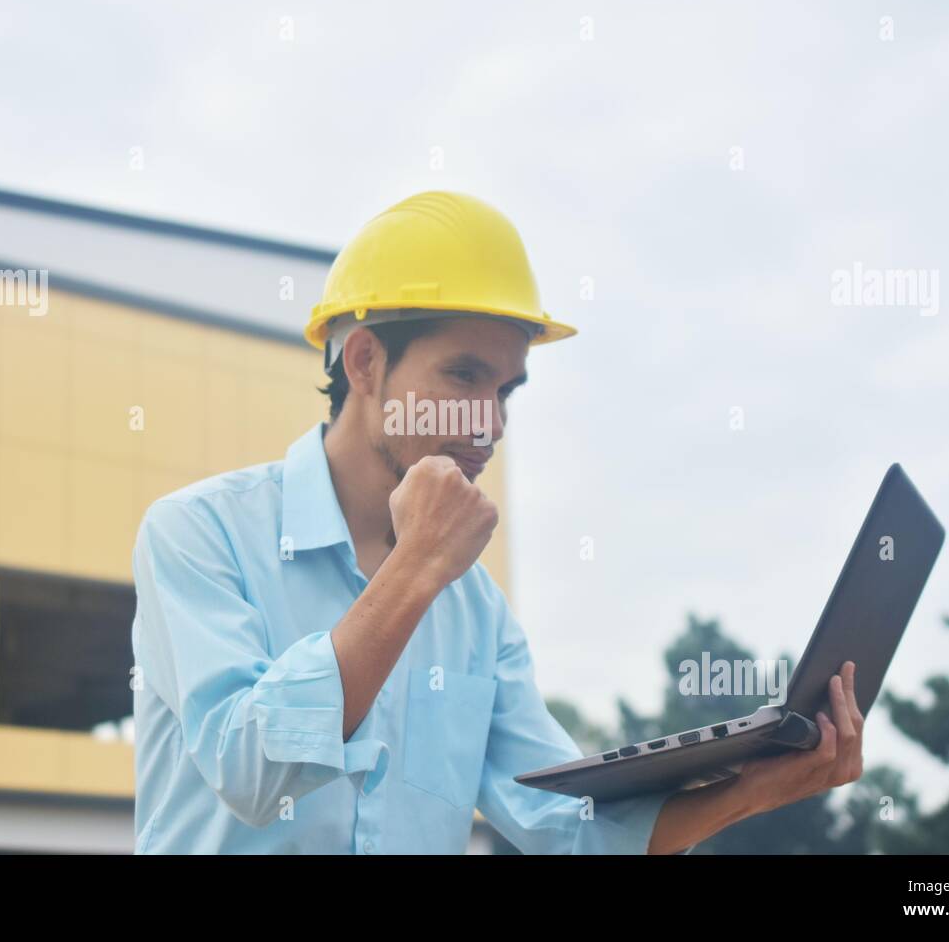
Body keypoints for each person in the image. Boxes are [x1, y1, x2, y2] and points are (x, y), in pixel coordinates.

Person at [131, 190, 864, 854]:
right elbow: (255, 769)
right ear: (363, 362)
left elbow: (569, 831)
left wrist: (755, 789)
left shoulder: (478, 614)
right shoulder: (198, 537)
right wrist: (416, 568)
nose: (491, 425)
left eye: (506, 389)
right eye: (464, 376)